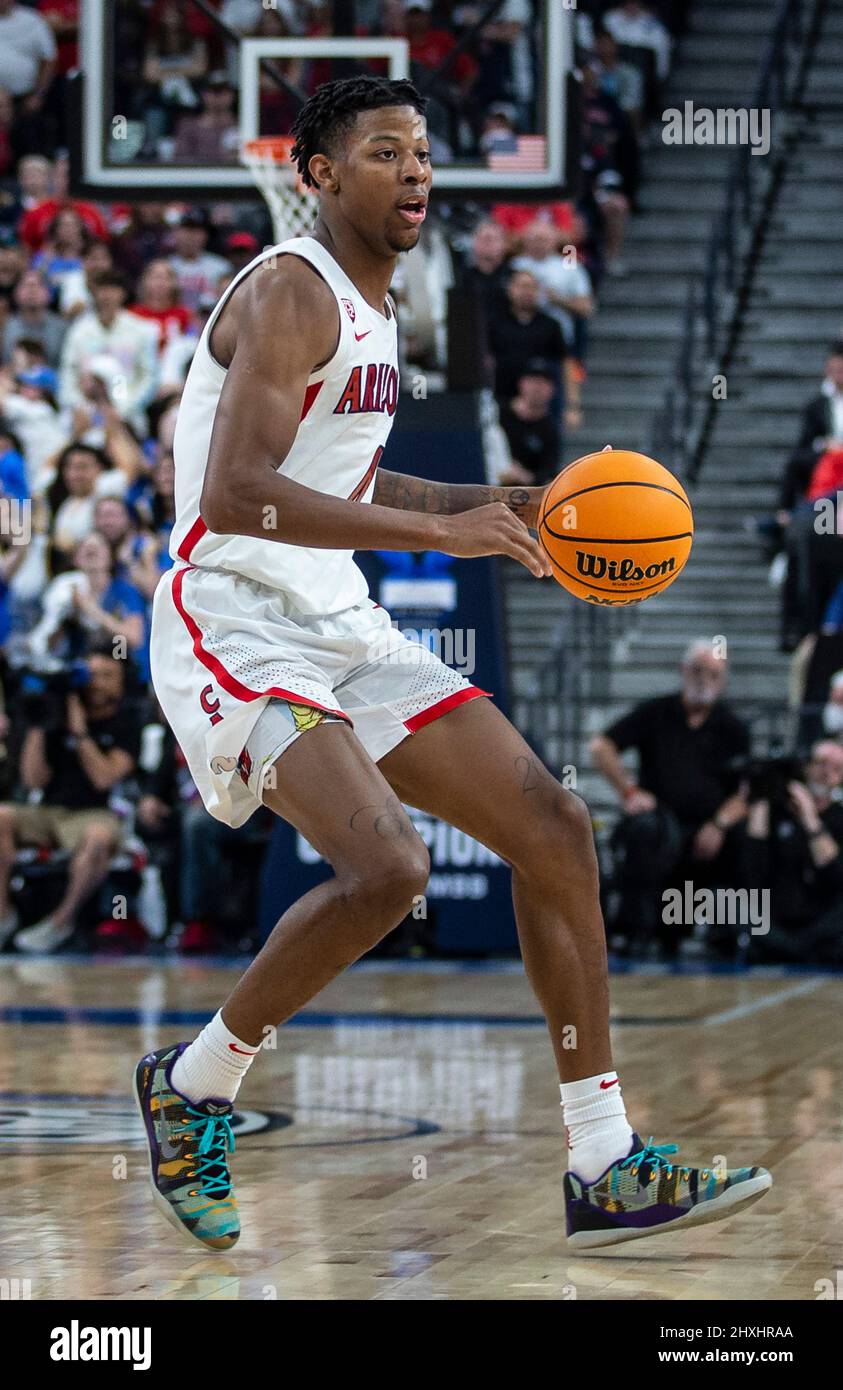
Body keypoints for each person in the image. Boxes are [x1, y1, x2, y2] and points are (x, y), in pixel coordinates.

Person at [135, 74, 770, 1255]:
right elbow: (236, 494)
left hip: (335, 616)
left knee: (553, 825)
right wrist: (445, 537)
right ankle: (198, 1080)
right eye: (385, 153)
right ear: (318, 175)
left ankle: (605, 1162)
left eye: (423, 152)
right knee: (386, 868)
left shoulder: (383, 309)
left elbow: (353, 485)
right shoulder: (289, 289)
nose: (416, 172)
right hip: (232, 613)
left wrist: (499, 500)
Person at [589, 641, 750, 955]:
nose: (704, 679)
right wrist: (629, 792)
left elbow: (744, 794)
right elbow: (601, 746)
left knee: (742, 837)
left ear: (724, 680)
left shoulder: (733, 727)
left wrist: (719, 824)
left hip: (710, 825)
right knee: (644, 830)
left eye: (714, 674)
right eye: (698, 670)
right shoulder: (656, 712)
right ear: (682, 671)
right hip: (662, 820)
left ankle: (727, 935)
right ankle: (635, 932)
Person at [0, 645, 140, 953]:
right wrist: (39, 724)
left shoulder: (129, 719)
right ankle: (3, 916)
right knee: (2, 817)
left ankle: (61, 921)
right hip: (47, 811)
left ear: (121, 681)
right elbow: (33, 780)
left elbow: (104, 778)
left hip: (94, 812)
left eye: (107, 675)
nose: (97, 682)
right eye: (92, 675)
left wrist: (79, 734)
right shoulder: (58, 709)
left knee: (97, 839)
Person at [742, 741, 843, 965]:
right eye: (821, 764)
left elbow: (836, 877)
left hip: (821, 922)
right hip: (776, 916)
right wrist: (761, 796)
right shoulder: (776, 812)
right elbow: (751, 872)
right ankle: (793, 949)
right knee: (727, 901)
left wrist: (810, 818)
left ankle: (790, 949)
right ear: (806, 767)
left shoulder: (838, 817)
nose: (826, 773)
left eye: (836, 768)